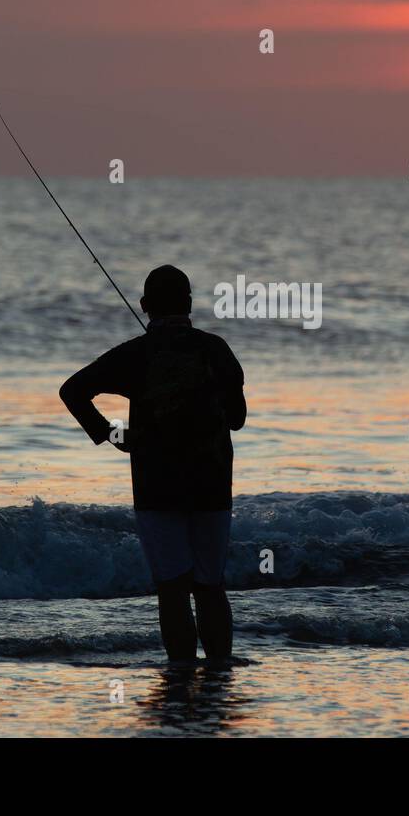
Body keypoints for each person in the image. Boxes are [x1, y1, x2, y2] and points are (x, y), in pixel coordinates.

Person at [59, 265, 246, 662]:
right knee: (210, 584)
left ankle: (181, 673)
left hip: (156, 485)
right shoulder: (216, 349)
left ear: (144, 306)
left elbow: (73, 390)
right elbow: (238, 419)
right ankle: (219, 672)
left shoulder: (135, 354)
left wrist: (113, 435)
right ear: (190, 304)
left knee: (173, 587)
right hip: (212, 483)